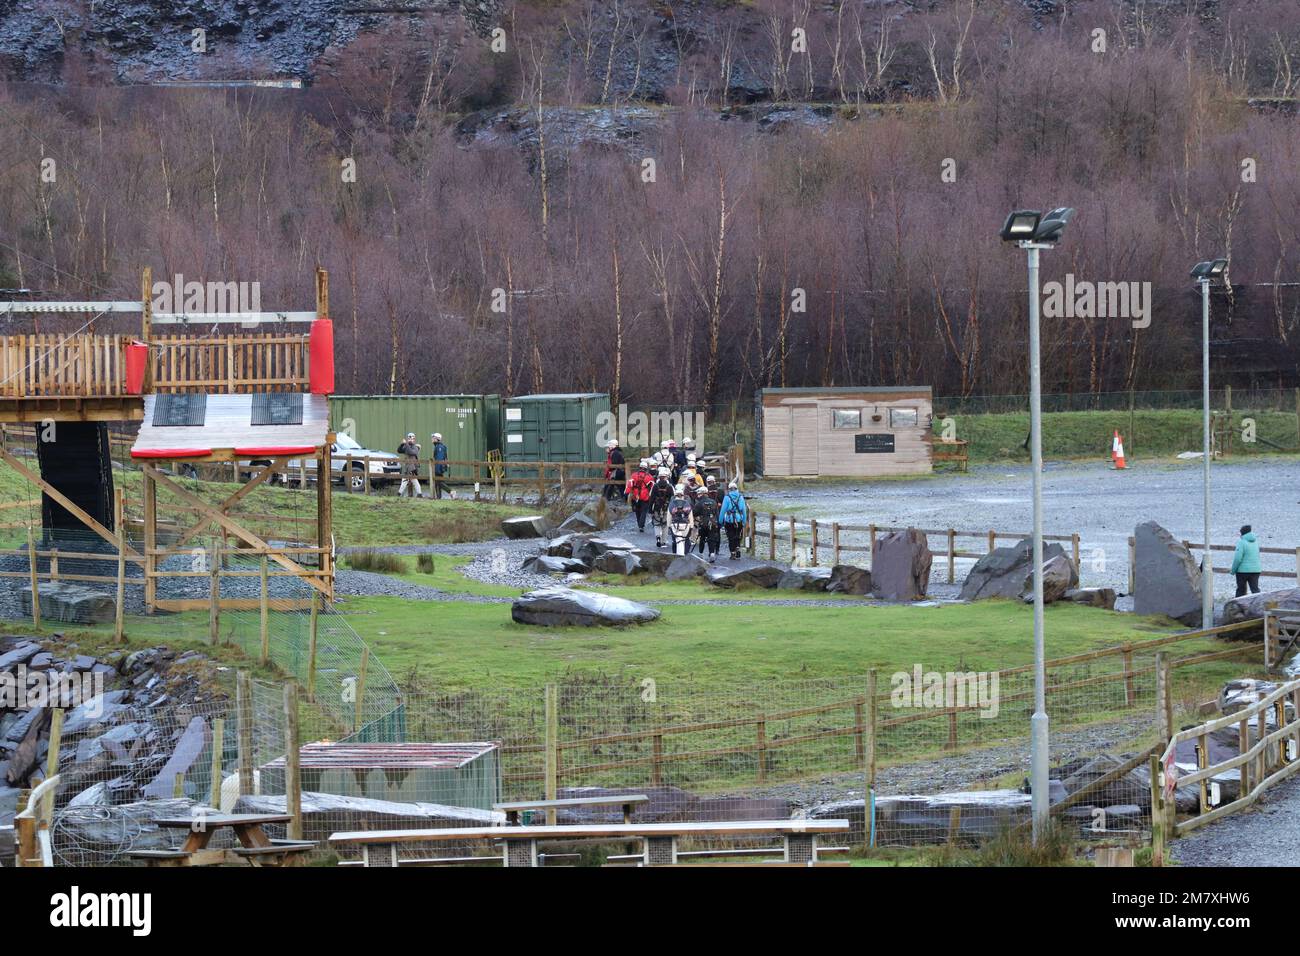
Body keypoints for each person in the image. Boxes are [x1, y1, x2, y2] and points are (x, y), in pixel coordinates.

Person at [718, 480, 748, 560]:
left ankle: (733, 553)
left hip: (729, 519)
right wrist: (744, 521)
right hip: (739, 519)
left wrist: (720, 521)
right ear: (736, 488)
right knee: (738, 535)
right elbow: (744, 510)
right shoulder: (740, 497)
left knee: (730, 536)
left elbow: (723, 510)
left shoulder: (727, 497)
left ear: (729, 489)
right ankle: (737, 547)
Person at [693, 480, 722, 562]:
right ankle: (712, 553)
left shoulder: (699, 503)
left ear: (701, 493)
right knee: (711, 538)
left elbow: (694, 513)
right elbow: (717, 514)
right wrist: (718, 524)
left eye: (699, 494)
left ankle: (701, 554)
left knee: (702, 538)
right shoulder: (713, 502)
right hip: (713, 523)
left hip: (703, 523)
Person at [1230, 524, 1262, 596]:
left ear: (1242, 533)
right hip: (1256, 570)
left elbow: (1238, 559)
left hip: (1243, 571)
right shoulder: (1255, 542)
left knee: (1241, 591)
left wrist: (1233, 570)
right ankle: (1259, 605)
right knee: (1255, 590)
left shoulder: (1241, 542)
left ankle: (1238, 606)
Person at [626, 458, 654, 533]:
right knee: (644, 511)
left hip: (635, 496)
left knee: (637, 511)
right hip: (645, 496)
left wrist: (627, 493)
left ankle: (639, 524)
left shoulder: (634, 475)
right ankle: (641, 525)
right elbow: (652, 487)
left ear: (640, 467)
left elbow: (630, 484)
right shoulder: (649, 477)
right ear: (646, 468)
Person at [649, 466, 674, 548]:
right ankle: (663, 541)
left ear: (659, 477)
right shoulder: (670, 487)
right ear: (666, 477)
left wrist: (650, 510)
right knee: (665, 525)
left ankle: (658, 538)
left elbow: (651, 499)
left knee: (656, 524)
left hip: (656, 508)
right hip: (666, 509)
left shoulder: (655, 486)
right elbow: (672, 499)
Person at [667, 483, 695, 556]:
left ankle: (675, 554)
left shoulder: (672, 503)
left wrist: (669, 525)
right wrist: (691, 526)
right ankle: (685, 554)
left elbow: (669, 515)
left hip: (675, 524)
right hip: (685, 524)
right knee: (686, 540)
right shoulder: (687, 502)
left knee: (675, 540)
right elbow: (690, 515)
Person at [397, 432, 423, 498]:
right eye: (409, 438)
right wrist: (402, 444)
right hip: (407, 467)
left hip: (412, 468)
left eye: (412, 439)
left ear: (414, 440)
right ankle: (419, 494)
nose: (410, 440)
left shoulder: (416, 448)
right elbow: (399, 450)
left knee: (406, 481)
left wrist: (406, 444)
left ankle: (399, 494)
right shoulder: (407, 446)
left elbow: (411, 452)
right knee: (411, 481)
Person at [430, 432, 449, 499]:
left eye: (433, 438)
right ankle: (439, 498)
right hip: (439, 468)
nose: (432, 439)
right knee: (438, 483)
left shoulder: (439, 447)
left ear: (437, 439)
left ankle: (451, 492)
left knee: (439, 482)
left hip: (438, 469)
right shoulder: (438, 446)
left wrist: (437, 470)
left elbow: (439, 460)